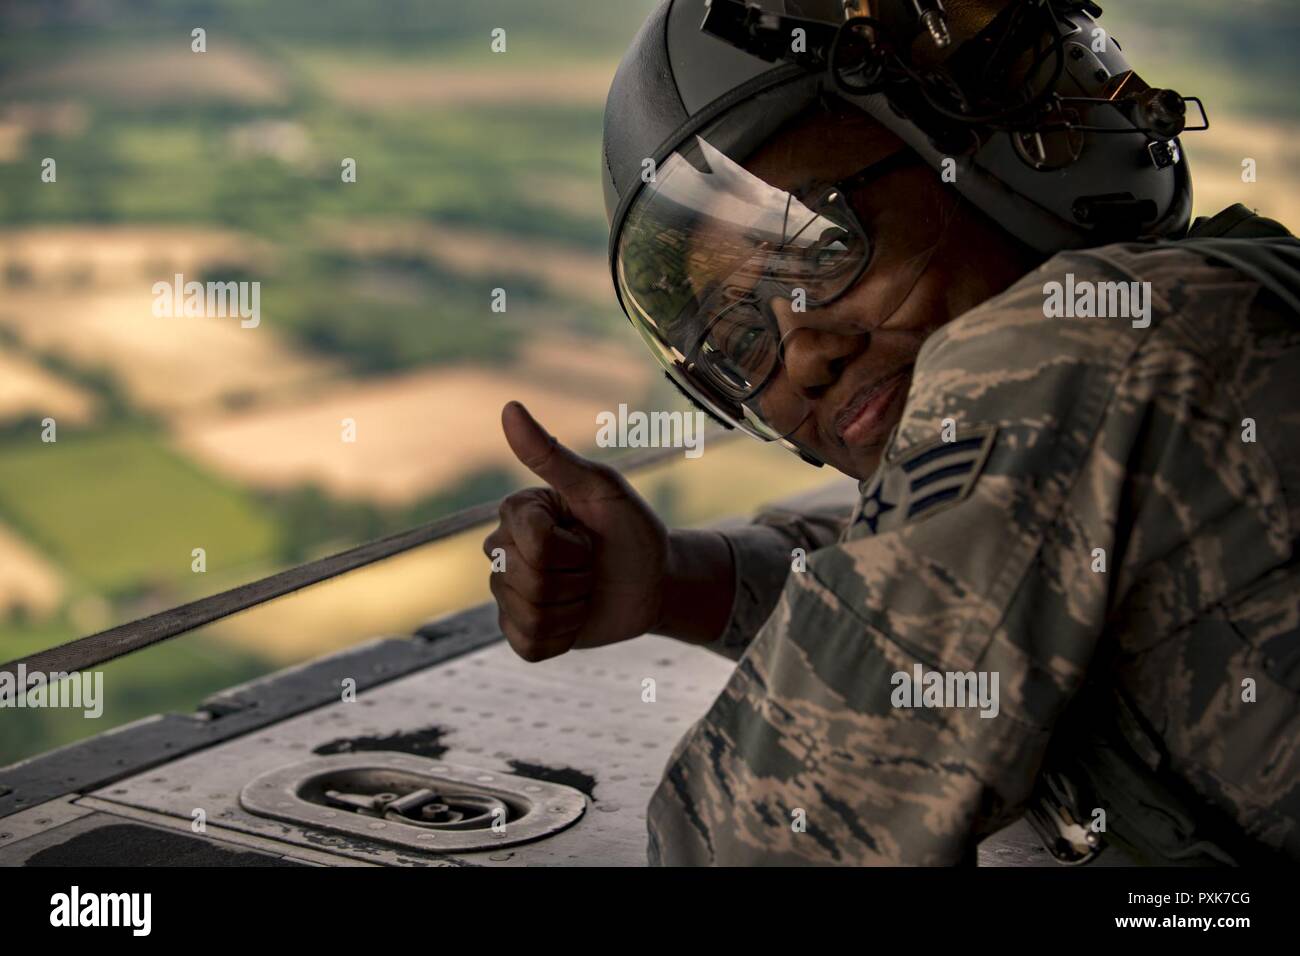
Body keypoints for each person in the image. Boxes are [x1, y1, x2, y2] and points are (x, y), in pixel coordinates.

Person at [484, 0, 1300, 864]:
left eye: (822, 249)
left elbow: (756, 840)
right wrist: (682, 582)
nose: (802, 357)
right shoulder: (1181, 332)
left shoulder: (1074, 347)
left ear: (993, 151)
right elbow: (947, 571)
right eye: (736, 341)